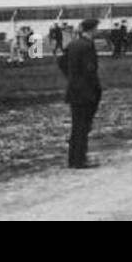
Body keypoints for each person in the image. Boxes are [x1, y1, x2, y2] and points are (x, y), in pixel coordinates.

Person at [58, 18, 102, 168]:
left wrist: (71, 77)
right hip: (86, 91)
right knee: (84, 126)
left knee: (76, 126)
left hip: (74, 90)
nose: (98, 31)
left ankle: (73, 159)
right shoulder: (87, 46)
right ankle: (80, 160)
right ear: (92, 29)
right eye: (97, 28)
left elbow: (61, 61)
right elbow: (90, 70)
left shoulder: (73, 44)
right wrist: (94, 87)